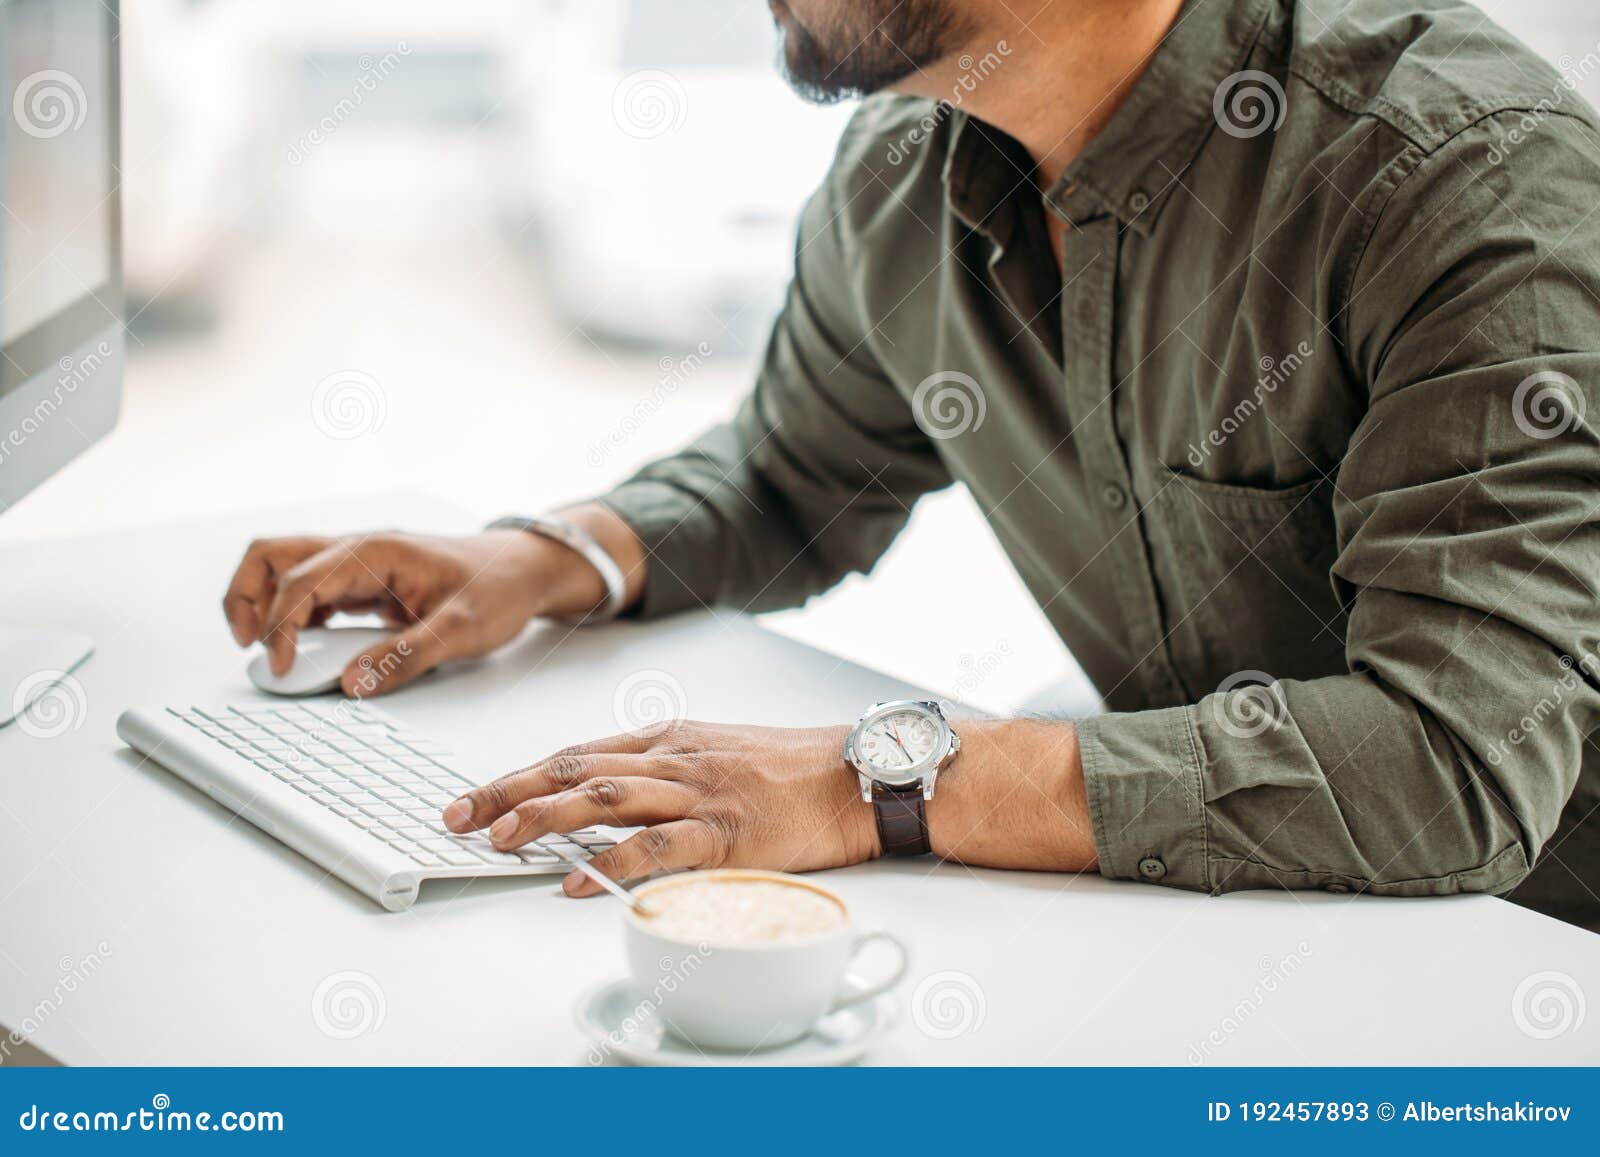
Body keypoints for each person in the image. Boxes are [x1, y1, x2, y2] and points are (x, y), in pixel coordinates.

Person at [222, 0, 1600, 931]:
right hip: (1243, 932)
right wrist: (539, 560)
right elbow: (786, 478)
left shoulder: (1461, 182)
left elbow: (1453, 760)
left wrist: (877, 781)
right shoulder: (903, 180)